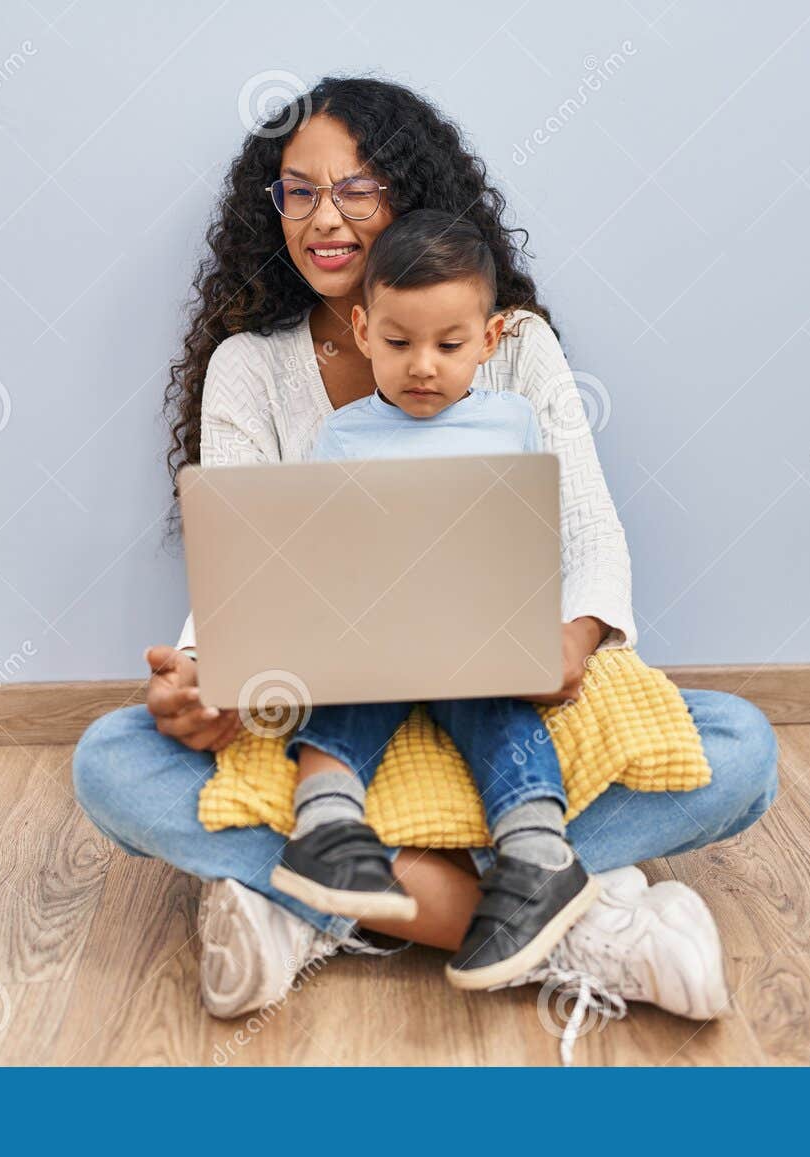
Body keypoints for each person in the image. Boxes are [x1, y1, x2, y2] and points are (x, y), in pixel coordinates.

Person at [72, 76, 779, 1030]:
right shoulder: (252, 364)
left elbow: (588, 532)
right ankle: (574, 927)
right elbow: (242, 565)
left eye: (357, 188)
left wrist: (568, 645)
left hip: (504, 701)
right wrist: (206, 674)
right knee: (113, 760)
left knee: (738, 746)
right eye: (299, 190)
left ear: (408, 192)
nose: (325, 217)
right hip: (332, 714)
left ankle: (317, 911)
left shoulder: (513, 345)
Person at [271, 209, 600, 991]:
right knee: (341, 690)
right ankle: (327, 829)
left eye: (450, 346)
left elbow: (538, 537)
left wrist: (542, 624)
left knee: (496, 704)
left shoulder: (512, 420)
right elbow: (316, 556)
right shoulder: (342, 438)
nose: (423, 366)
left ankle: (536, 852)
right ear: (361, 328)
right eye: (398, 343)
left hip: (479, 638)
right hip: (375, 638)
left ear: (488, 341)